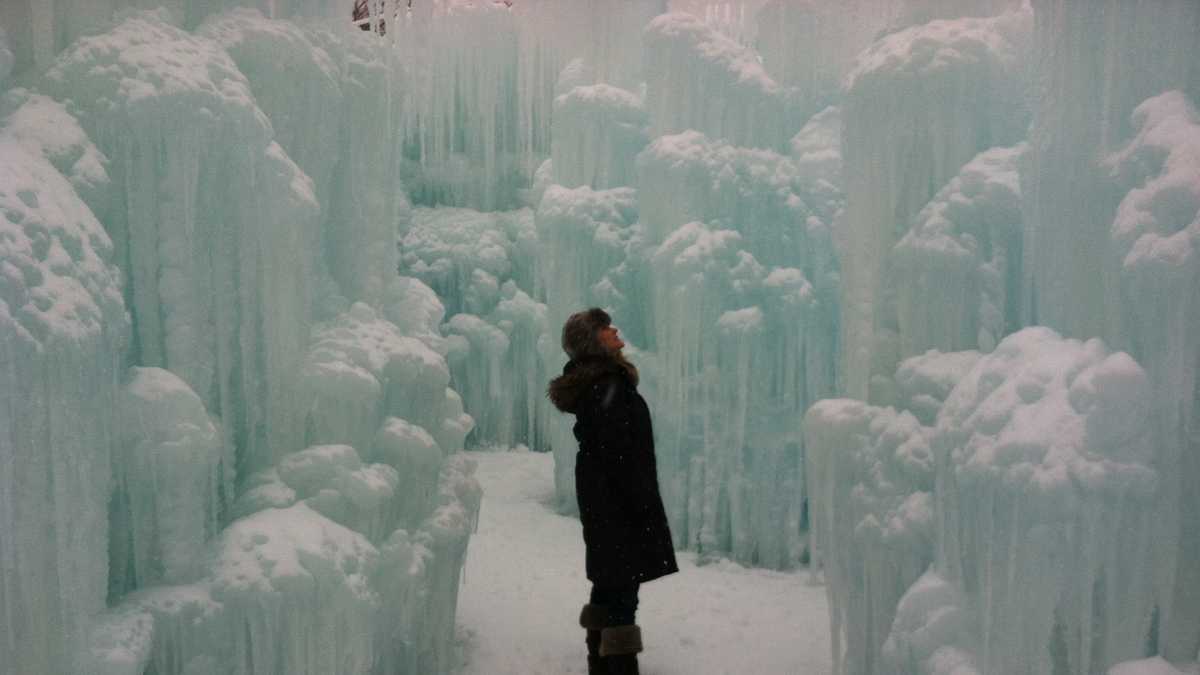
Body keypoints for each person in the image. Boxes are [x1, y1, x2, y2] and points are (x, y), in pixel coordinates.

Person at [548, 308, 679, 675]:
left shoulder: (600, 384)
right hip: (618, 503)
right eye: (604, 327)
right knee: (622, 592)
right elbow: (619, 452)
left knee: (608, 582)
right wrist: (640, 503)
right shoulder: (608, 386)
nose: (614, 329)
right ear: (592, 340)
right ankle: (619, 666)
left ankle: (600, 662)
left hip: (603, 499)